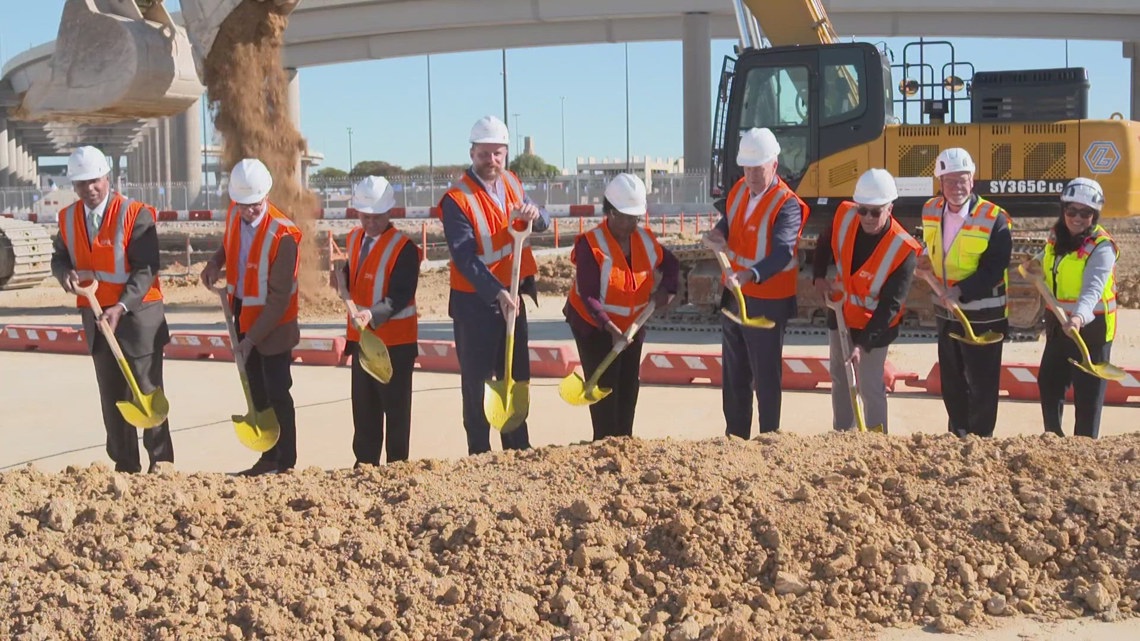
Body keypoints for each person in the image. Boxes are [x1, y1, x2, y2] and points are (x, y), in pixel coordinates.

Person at [51, 146, 174, 474]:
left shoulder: (135, 214)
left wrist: (120, 306)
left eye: (95, 180)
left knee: (147, 390)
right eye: (81, 183)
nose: (89, 188)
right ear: (74, 185)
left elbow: (147, 268)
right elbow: (59, 256)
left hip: (137, 317)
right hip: (96, 318)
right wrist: (64, 273)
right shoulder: (68, 218)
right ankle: (125, 464)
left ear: (108, 178)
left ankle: (161, 461)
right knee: (112, 396)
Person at [441, 115, 549, 455]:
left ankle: (517, 448)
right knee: (477, 383)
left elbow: (542, 219)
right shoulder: (456, 199)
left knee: (514, 376)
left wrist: (536, 216)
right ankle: (479, 453)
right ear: (472, 153)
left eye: (497, 153)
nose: (492, 160)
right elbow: (464, 257)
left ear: (505, 153)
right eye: (484, 154)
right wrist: (496, 292)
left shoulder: (512, 182)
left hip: (513, 296)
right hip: (475, 304)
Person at [703, 127, 810, 437]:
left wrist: (749, 274)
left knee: (765, 378)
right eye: (746, 168)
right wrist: (718, 233)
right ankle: (736, 438)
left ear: (774, 165)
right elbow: (729, 219)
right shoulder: (739, 189)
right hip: (734, 297)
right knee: (734, 375)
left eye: (757, 168)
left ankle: (768, 440)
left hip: (768, 302)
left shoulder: (787, 204)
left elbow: (782, 252)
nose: (750, 175)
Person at [200, 158, 302, 475]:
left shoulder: (283, 235)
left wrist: (251, 340)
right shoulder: (235, 213)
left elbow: (278, 299)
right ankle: (267, 458)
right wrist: (215, 263)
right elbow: (229, 245)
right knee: (255, 390)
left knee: (277, 391)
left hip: (275, 325)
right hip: (242, 314)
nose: (248, 211)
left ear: (266, 195)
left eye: (254, 205)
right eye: (243, 205)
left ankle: (285, 462)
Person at [564, 173, 679, 440]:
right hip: (593, 325)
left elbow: (671, 265)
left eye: (634, 218)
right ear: (609, 212)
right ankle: (603, 444)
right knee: (605, 390)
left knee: (628, 387)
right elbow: (589, 295)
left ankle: (625, 443)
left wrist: (666, 290)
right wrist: (609, 327)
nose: (629, 224)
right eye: (623, 217)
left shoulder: (645, 240)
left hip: (633, 325)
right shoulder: (591, 245)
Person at [811, 169, 920, 433]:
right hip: (841, 314)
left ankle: (876, 442)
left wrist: (862, 344)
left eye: (875, 212)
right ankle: (843, 436)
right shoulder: (846, 216)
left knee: (870, 385)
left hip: (875, 326)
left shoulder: (903, 249)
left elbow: (891, 305)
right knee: (840, 379)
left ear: (890, 208)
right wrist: (818, 276)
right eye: (863, 210)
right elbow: (824, 242)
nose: (867, 218)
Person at [915, 147, 1012, 438]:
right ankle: (957, 434)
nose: (956, 187)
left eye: (962, 180)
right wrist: (924, 259)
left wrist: (960, 291)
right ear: (940, 182)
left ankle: (980, 439)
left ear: (973, 181)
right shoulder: (931, 209)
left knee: (981, 384)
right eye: (950, 181)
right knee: (952, 380)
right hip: (946, 312)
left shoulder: (994, 218)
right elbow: (932, 244)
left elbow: (995, 267)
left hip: (984, 315)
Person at [1021, 178, 1118, 438]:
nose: (1077, 218)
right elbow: (1051, 259)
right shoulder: (1057, 235)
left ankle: (1084, 448)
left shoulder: (1102, 247)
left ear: (1094, 215)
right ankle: (1054, 440)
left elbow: (1093, 289)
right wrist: (1035, 264)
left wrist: (1078, 318)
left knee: (1087, 396)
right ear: (1063, 210)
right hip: (1058, 324)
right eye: (1071, 210)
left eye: (1085, 213)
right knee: (1049, 383)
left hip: (1092, 328)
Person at [337, 176, 421, 465]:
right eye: (365, 216)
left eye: (377, 217)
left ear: (389, 212)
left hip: (395, 344)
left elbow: (400, 295)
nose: (371, 222)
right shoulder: (354, 238)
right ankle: (365, 466)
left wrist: (372, 314)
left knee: (396, 411)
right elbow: (357, 275)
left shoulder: (404, 248)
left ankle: (397, 467)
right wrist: (342, 279)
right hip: (363, 341)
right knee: (364, 410)